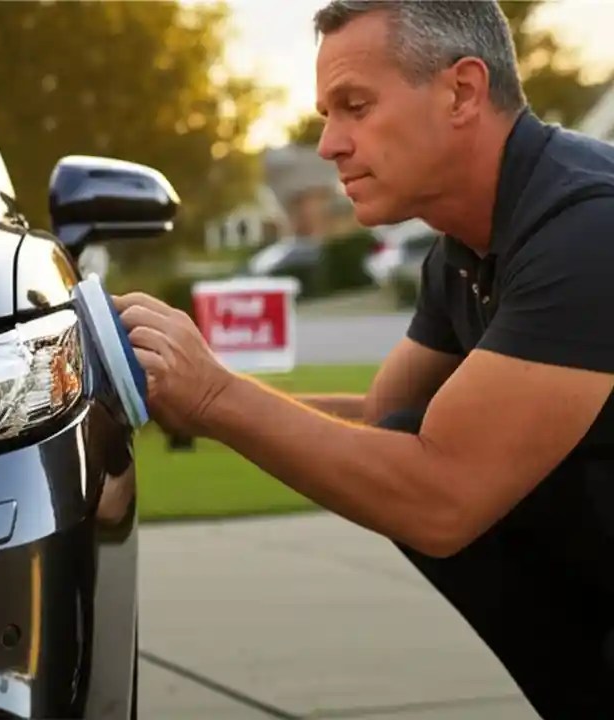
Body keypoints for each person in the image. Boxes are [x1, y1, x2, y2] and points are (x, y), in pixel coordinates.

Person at [115, 1, 614, 717]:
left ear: (462, 92)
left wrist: (216, 397)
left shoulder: (588, 229)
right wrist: (188, 406)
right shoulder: (464, 247)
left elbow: (442, 496)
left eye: (355, 106)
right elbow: (380, 425)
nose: (327, 145)